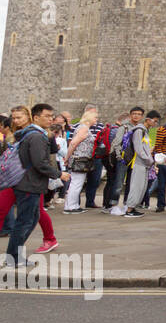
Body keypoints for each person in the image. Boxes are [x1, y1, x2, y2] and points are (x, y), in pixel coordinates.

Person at [3, 104, 68, 267]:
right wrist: (59, 174)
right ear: (36, 118)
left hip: (27, 183)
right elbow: (40, 163)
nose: (51, 119)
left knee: (31, 219)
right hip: (28, 184)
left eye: (52, 116)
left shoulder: (27, 134)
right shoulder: (36, 136)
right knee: (25, 221)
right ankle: (13, 258)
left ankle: (14, 256)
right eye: (47, 116)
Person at [62, 105, 98, 214]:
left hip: (80, 158)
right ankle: (71, 206)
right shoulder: (84, 128)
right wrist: (67, 157)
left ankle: (72, 205)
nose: (96, 120)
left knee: (76, 183)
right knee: (76, 183)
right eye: (95, 118)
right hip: (80, 158)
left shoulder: (83, 128)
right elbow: (73, 143)